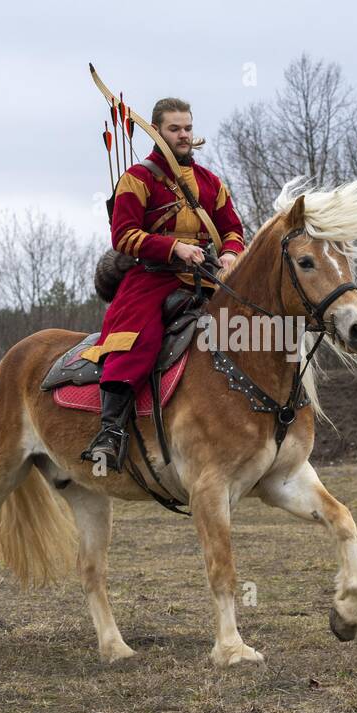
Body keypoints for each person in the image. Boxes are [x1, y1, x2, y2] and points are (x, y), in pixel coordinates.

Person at [80, 96, 245, 470]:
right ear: (157, 131)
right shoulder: (137, 179)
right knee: (139, 341)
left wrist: (231, 254)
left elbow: (233, 229)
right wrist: (174, 249)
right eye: (175, 129)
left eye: (187, 127)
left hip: (206, 281)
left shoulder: (210, 182)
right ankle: (111, 432)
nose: (183, 135)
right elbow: (123, 236)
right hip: (152, 279)